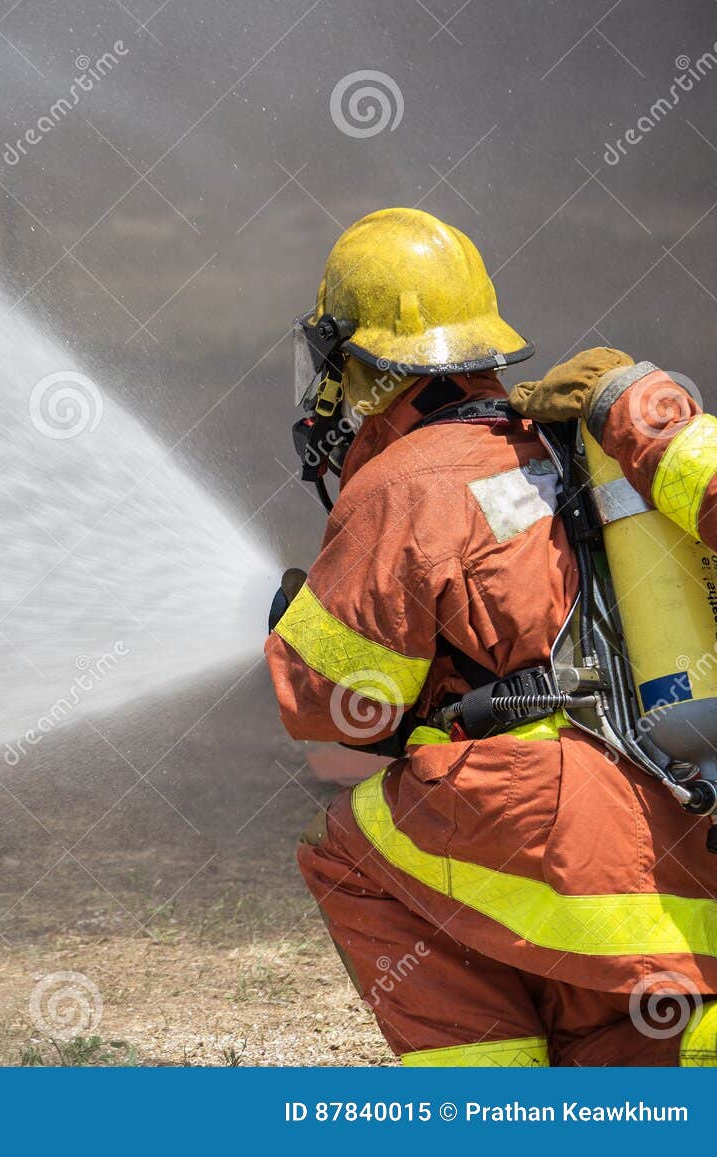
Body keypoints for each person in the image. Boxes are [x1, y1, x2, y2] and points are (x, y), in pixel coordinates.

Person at [267, 206, 717, 1066]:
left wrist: (295, 630)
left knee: (356, 850)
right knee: (621, 1046)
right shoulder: (562, 446)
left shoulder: (404, 480)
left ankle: (485, 1101)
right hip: (680, 834)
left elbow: (334, 704)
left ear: (357, 365)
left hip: (558, 832)